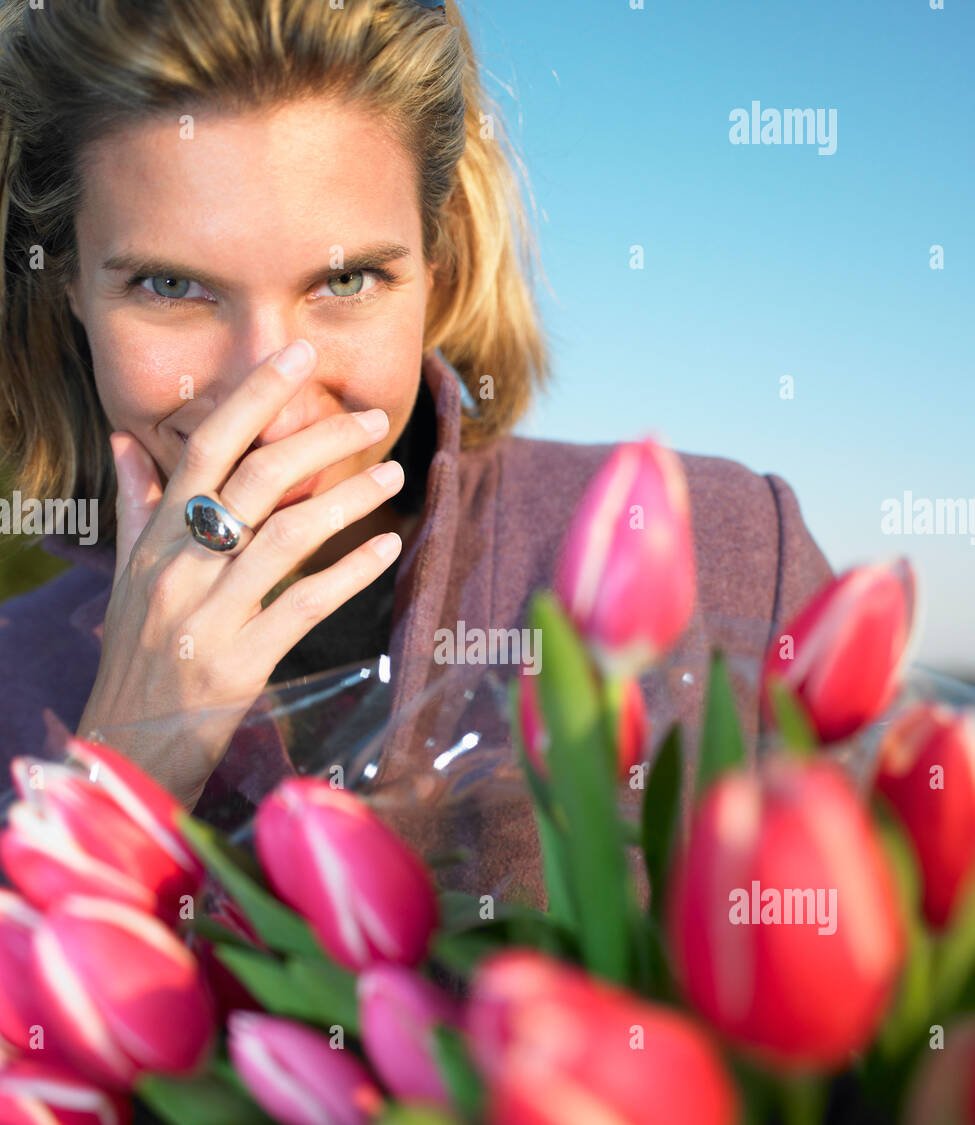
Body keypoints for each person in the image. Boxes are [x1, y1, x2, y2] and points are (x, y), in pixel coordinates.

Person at [0, 0, 831, 908]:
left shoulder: (720, 552)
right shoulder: (16, 671)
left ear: (438, 263)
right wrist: (126, 777)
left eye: (347, 281)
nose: (268, 393)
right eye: (170, 286)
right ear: (68, 286)